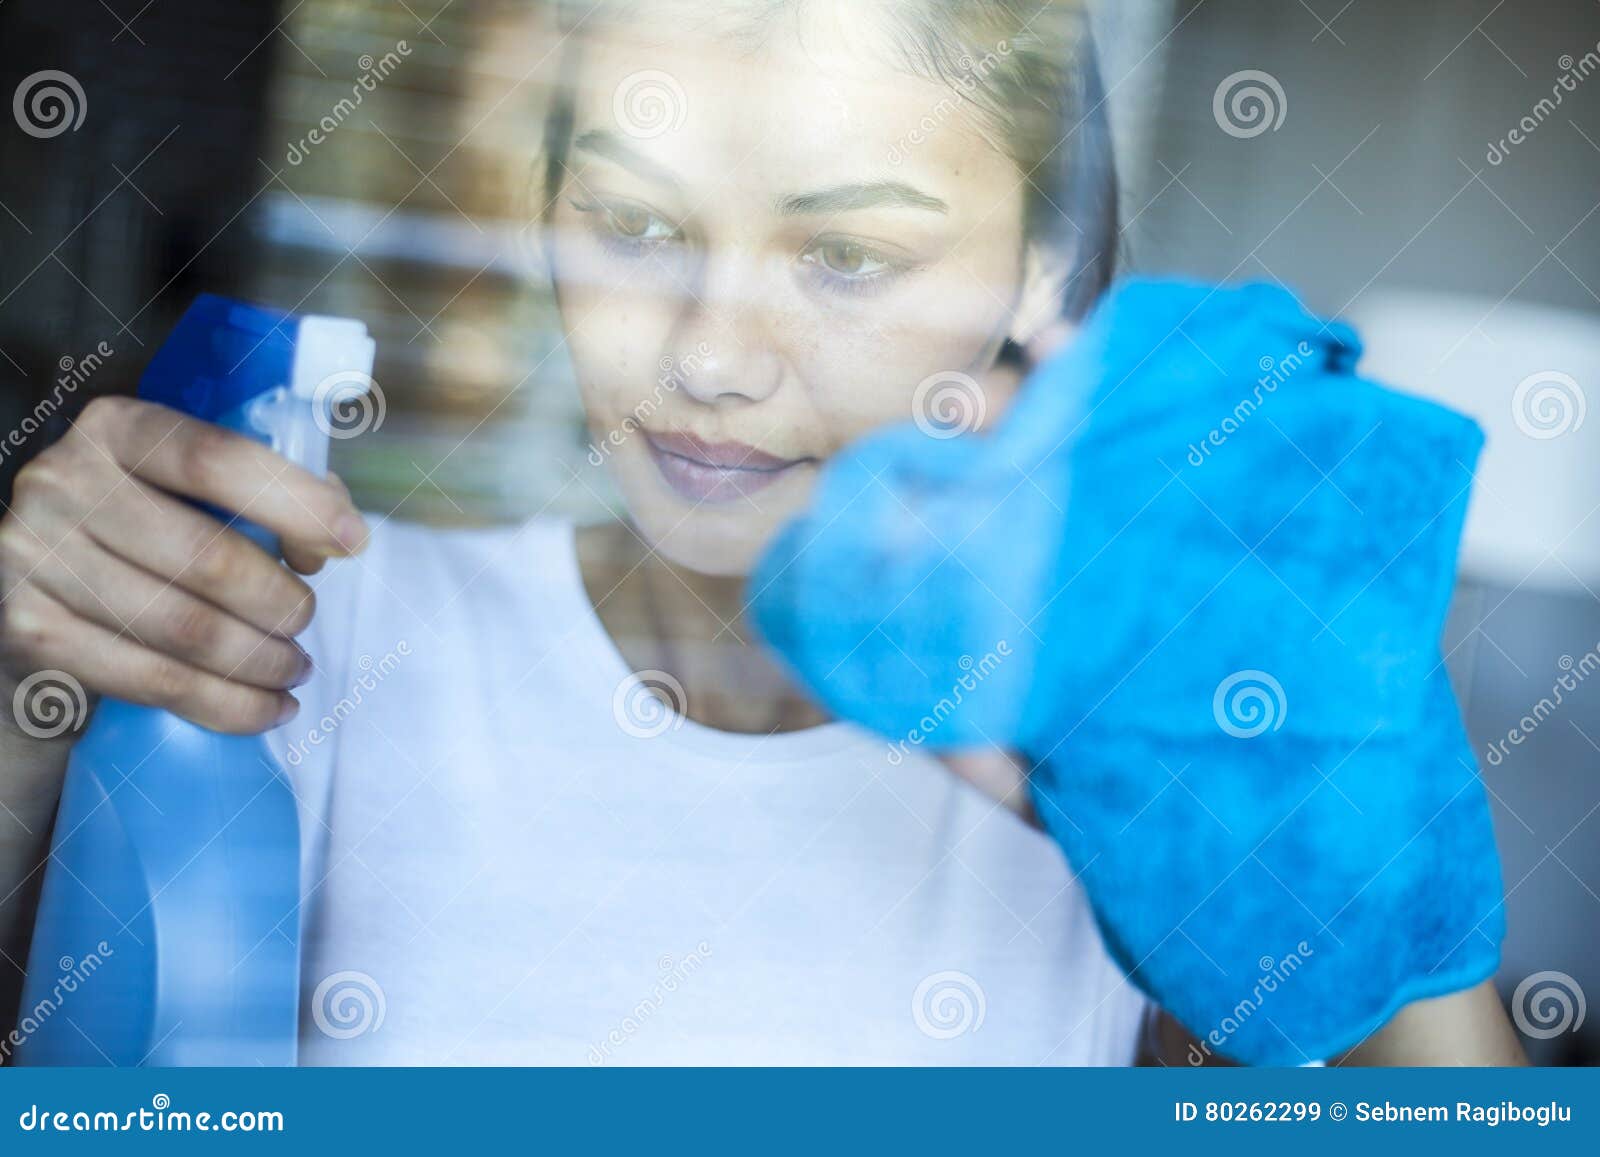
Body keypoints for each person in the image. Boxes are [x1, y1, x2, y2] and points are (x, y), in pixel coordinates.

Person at [0, 0, 1522, 1064]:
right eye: (638, 226)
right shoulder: (298, 624)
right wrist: (26, 707)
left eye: (848, 254)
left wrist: (1383, 908)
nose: (714, 356)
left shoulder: (1123, 751)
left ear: (1042, 275)